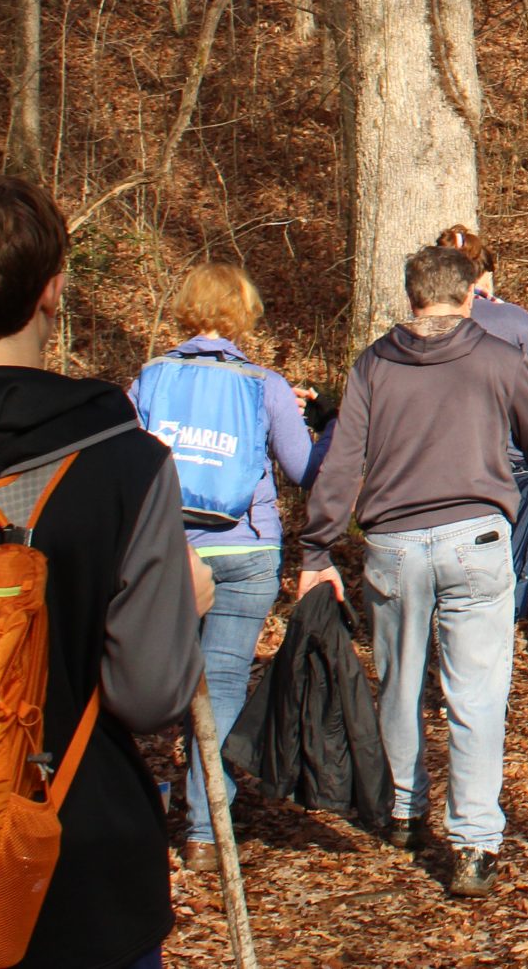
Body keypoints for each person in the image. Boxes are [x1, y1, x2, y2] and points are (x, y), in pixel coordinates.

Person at [301, 246, 528, 898]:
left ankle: (404, 808)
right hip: (476, 538)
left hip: (391, 544)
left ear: (412, 296)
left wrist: (318, 546)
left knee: (397, 680)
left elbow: (340, 462)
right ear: (470, 295)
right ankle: (474, 843)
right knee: (474, 693)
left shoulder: (373, 365)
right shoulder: (498, 359)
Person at [0, 176, 205, 969]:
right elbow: (149, 693)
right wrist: (185, 598)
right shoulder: (128, 463)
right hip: (77, 864)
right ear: (52, 290)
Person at [128, 262, 314, 874]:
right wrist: (304, 416)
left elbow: (127, 463)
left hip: (168, 552)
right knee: (226, 679)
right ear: (243, 312)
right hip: (247, 548)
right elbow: (302, 467)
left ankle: (158, 792)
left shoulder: (152, 377)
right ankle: (208, 829)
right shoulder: (264, 384)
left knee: (168, 677)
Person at [435, 226, 528, 626]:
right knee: (508, 562)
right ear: (485, 273)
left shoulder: (419, 327)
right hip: (508, 464)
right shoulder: (512, 320)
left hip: (438, 464)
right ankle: (498, 630)